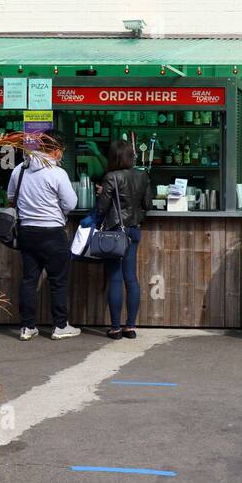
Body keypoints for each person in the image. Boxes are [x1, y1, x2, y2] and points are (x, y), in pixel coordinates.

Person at [8, 132, 80, 341]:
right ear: (55, 151)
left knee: (29, 280)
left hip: (27, 232)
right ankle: (60, 326)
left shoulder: (20, 170)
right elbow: (71, 204)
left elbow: (11, 197)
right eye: (61, 152)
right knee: (58, 282)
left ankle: (27, 327)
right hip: (53, 233)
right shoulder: (57, 173)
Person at [96, 138, 152, 339]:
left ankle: (115, 328)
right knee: (131, 278)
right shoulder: (142, 175)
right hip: (134, 230)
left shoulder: (111, 177)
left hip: (115, 232)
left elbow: (101, 209)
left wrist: (102, 193)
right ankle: (130, 327)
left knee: (115, 278)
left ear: (113, 157)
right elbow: (148, 204)